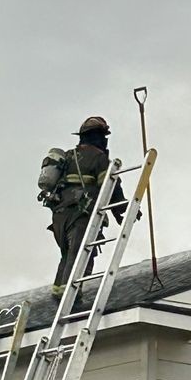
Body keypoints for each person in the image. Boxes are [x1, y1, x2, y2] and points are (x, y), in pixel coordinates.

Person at [49, 116, 127, 297]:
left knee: (67, 255)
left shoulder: (68, 157)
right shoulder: (99, 158)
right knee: (80, 257)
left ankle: (58, 293)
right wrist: (122, 209)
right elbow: (110, 186)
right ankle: (70, 297)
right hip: (81, 215)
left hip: (59, 216)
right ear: (99, 136)